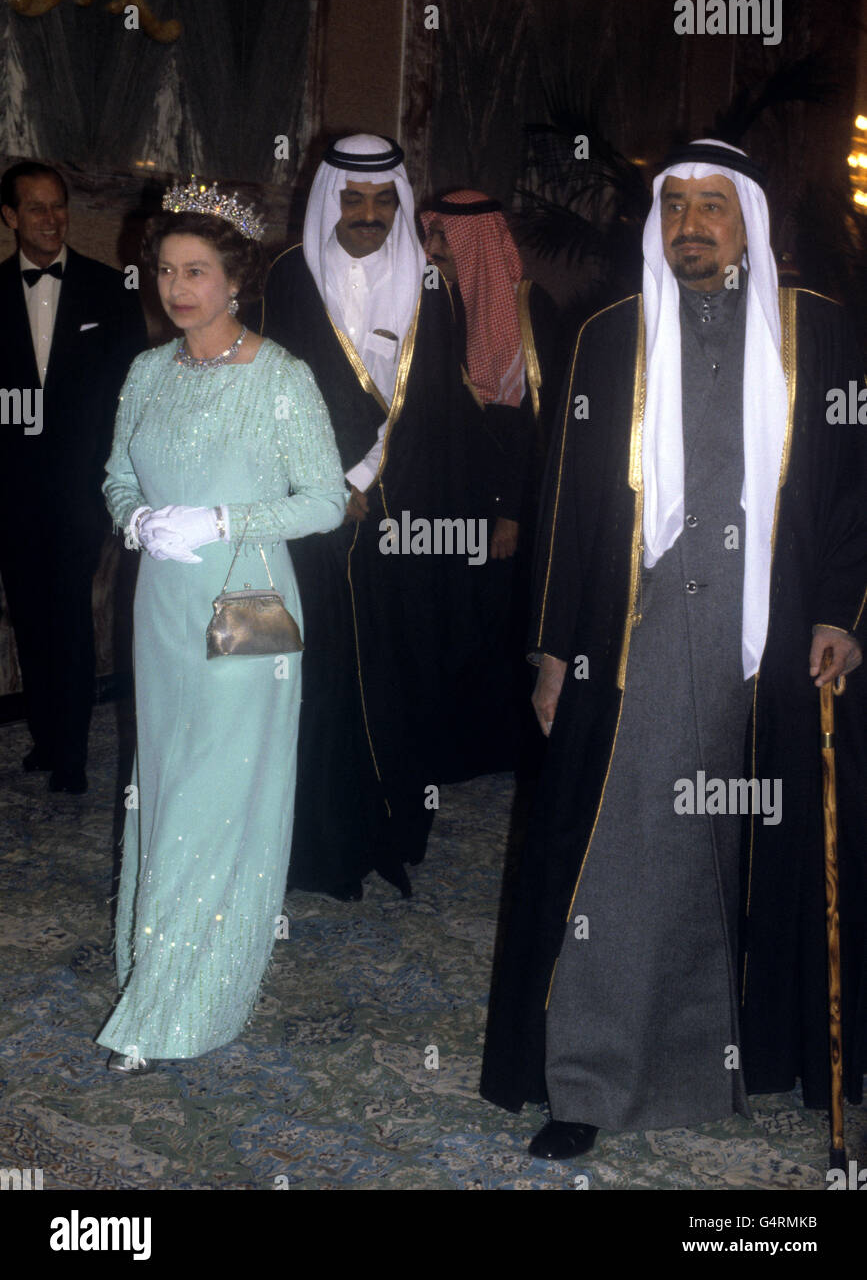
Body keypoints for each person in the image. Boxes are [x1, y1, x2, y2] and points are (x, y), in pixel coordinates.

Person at [480, 139, 867, 1157]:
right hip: (639, 628)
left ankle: (750, 1053)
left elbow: (855, 481)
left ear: (749, 219)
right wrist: (557, 651)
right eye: (678, 206)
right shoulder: (612, 336)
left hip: (775, 636)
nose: (693, 224)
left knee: (750, 845)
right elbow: (563, 505)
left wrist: (841, 611)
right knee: (629, 842)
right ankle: (591, 1075)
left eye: (714, 207)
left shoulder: (814, 331)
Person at [96, 180, 346, 1072]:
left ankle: (182, 1003)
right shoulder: (146, 372)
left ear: (233, 279)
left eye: (196, 271)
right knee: (161, 784)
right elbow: (119, 475)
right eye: (165, 270)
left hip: (249, 607)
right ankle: (155, 966)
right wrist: (138, 520)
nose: (177, 288)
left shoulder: (280, 378)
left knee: (219, 793)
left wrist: (218, 520)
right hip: (162, 603)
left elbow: (326, 501)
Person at [260, 135, 474, 900]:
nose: (369, 215)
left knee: (400, 673)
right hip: (316, 515)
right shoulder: (289, 278)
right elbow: (272, 398)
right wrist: (325, 481)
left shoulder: (430, 285)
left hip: (402, 515)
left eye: (384, 200)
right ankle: (319, 844)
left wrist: (404, 493)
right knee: (316, 677)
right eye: (353, 199)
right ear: (329, 199)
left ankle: (393, 835)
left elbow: (443, 413)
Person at [0, 161, 147, 793]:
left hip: (82, 488)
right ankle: (45, 735)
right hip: (11, 491)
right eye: (35, 207)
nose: (51, 218)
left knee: (69, 611)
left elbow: (132, 394)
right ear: (10, 217)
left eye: (58, 205)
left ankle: (74, 754)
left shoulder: (108, 290)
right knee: (29, 615)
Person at [421, 191, 564, 778]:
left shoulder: (534, 312)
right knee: (454, 618)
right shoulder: (440, 308)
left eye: (443, 243)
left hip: (508, 503)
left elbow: (543, 427)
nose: (431, 251)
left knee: (500, 623)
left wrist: (510, 511)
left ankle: (501, 746)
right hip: (453, 495)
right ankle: (454, 746)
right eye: (429, 238)